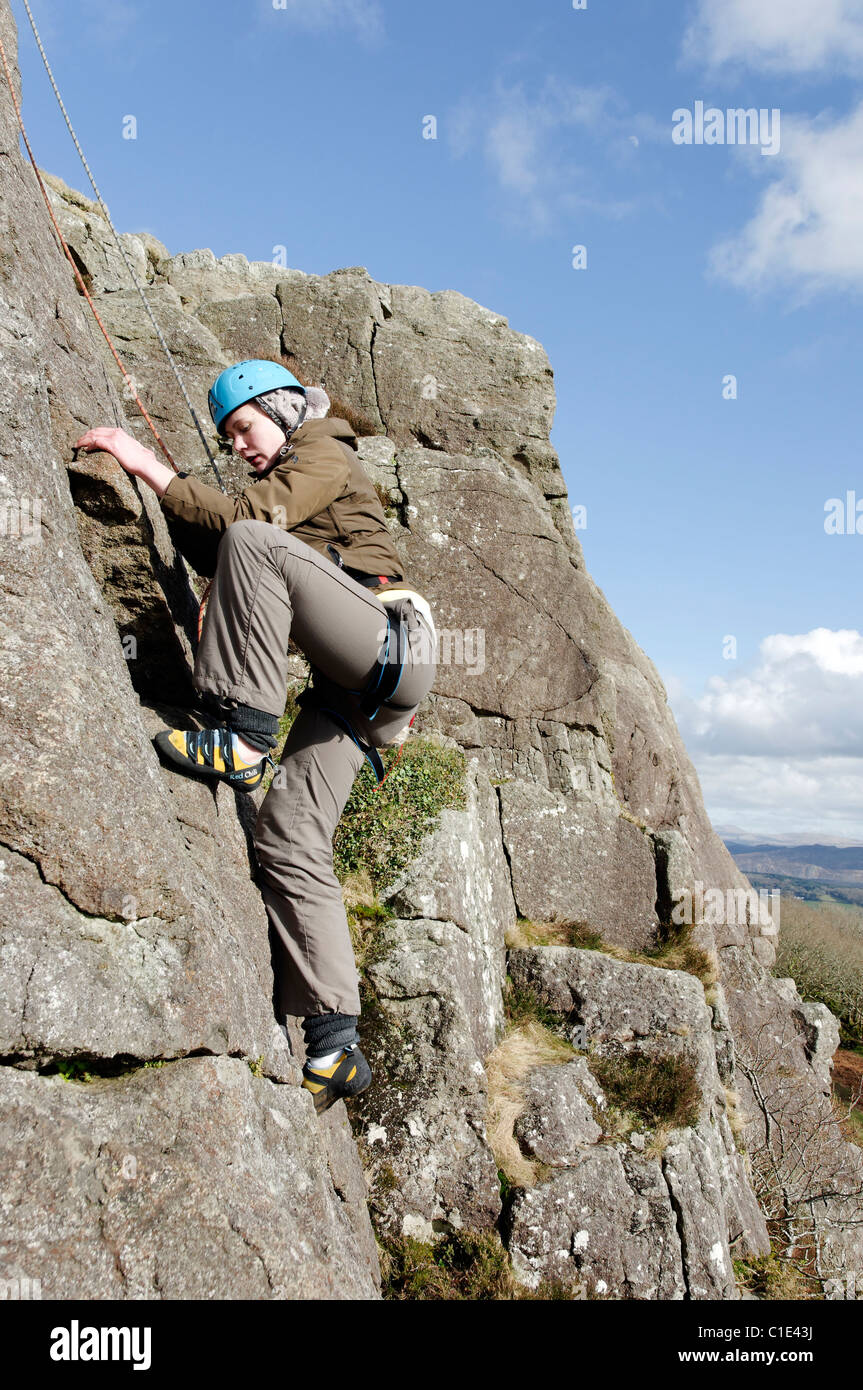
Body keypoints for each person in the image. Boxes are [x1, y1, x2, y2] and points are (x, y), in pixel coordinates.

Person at [74, 359, 437, 1115]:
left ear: (284, 410)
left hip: (388, 642)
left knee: (251, 540)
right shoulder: (283, 478)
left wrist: (144, 462)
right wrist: (165, 494)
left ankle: (240, 735)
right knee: (288, 837)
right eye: (229, 436)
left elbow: (249, 529)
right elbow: (218, 545)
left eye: (244, 427)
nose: (237, 444)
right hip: (359, 694)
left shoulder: (325, 451)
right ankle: (336, 1041)